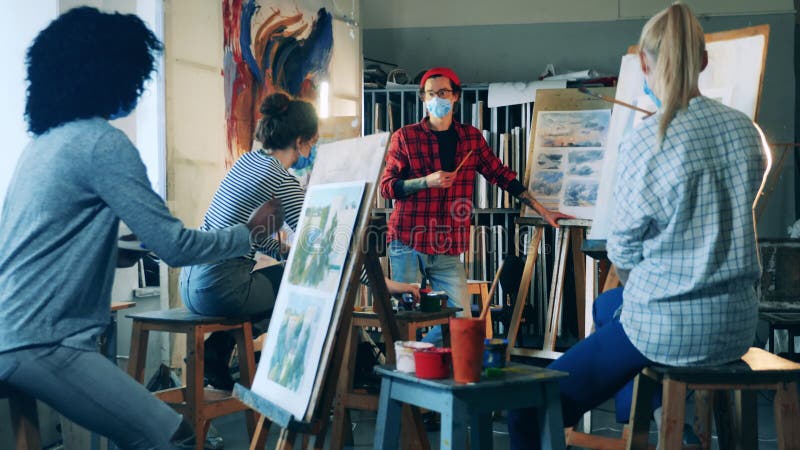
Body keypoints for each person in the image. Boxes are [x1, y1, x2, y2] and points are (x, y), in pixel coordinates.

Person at [0, 7, 285, 450]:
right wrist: (248, 232)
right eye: (139, 73)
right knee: (178, 437)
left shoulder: (41, 147)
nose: (142, 84)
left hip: (12, 332)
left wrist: (112, 251)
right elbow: (174, 246)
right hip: (46, 341)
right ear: (112, 72)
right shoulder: (103, 142)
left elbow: (37, 247)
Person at [507, 3, 769, 448]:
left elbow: (624, 250)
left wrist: (647, 278)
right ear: (703, 61)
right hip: (737, 322)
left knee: (527, 407)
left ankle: (647, 418)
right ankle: (644, 420)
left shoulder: (647, 139)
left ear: (645, 64)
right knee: (610, 306)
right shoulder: (746, 131)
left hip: (671, 328)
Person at [181, 92, 420, 388]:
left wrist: (283, 250)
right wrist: (385, 285)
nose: (315, 146)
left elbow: (249, 234)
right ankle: (359, 367)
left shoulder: (247, 161)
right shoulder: (280, 179)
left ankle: (219, 349)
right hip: (219, 289)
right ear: (300, 141)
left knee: (287, 274)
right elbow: (327, 253)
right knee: (315, 282)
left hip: (191, 284)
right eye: (314, 140)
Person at [379, 67, 570, 345]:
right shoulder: (405, 137)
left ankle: (422, 358)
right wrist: (425, 182)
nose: (437, 98)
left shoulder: (471, 138)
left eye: (443, 92)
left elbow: (501, 175)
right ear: (423, 98)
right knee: (407, 319)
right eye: (431, 94)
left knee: (462, 323)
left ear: (455, 96)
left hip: (447, 245)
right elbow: (387, 186)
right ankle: (406, 372)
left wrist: (543, 209)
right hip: (408, 239)